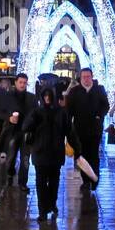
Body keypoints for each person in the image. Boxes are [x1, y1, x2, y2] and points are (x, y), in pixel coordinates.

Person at [23, 84, 80, 220]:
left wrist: (77, 148)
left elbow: (69, 131)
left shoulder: (61, 112)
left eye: (49, 96)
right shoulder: (36, 112)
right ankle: (43, 209)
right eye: (45, 96)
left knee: (54, 182)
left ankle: (52, 204)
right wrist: (33, 120)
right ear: (42, 97)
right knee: (41, 182)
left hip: (55, 152)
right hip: (40, 152)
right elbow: (25, 127)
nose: (47, 98)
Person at [64, 67, 109, 191]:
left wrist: (99, 116)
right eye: (84, 77)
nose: (86, 79)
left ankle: (94, 178)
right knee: (81, 155)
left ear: (92, 77)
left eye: (88, 76)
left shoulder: (99, 90)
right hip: (80, 129)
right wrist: (67, 127)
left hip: (95, 129)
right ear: (80, 78)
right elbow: (69, 111)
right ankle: (85, 180)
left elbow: (105, 105)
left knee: (93, 154)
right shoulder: (74, 91)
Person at [0, 73, 35, 190]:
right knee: (11, 157)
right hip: (12, 131)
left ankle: (22, 183)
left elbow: (35, 114)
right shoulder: (8, 96)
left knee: (25, 159)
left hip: (26, 132)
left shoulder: (31, 98)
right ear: (16, 82)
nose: (22, 85)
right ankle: (10, 173)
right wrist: (9, 118)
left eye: (24, 83)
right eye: (20, 82)